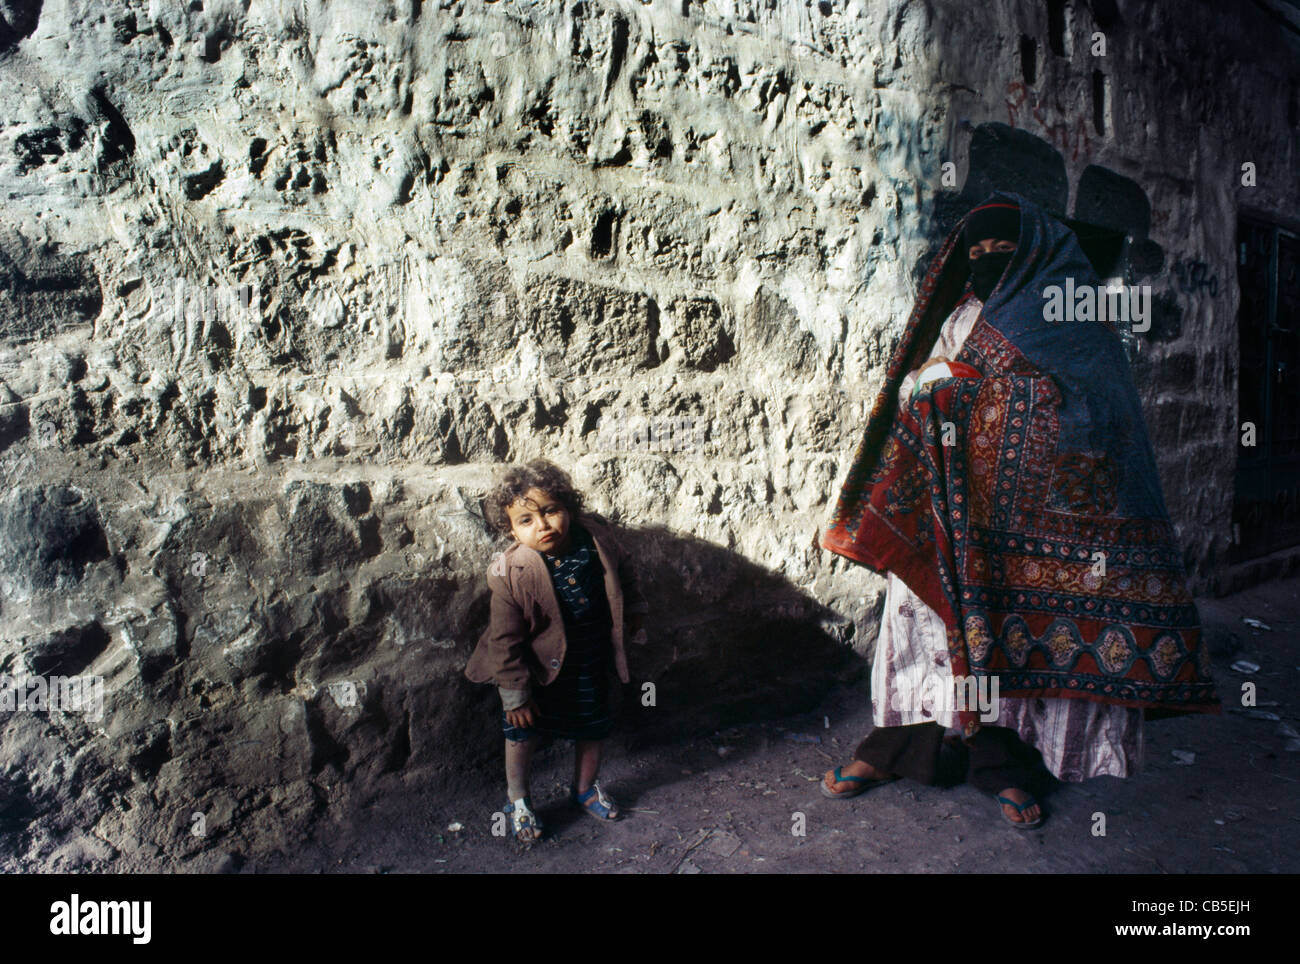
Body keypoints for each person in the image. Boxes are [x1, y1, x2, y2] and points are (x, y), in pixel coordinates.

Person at [820, 194, 1220, 828]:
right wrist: (933, 384)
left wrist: (967, 389)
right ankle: (897, 746)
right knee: (921, 628)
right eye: (974, 252)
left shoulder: (1070, 320)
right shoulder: (960, 314)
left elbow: (1091, 417)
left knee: (1000, 641)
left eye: (999, 250)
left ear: (1033, 252)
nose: (984, 261)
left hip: (1020, 524)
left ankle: (1000, 762)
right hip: (946, 505)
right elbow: (916, 386)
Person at [466, 458, 649, 843]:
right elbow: (504, 640)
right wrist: (515, 696)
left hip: (589, 658)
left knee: (593, 723)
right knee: (521, 732)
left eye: (551, 511)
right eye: (526, 520)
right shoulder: (510, 571)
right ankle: (519, 799)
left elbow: (625, 572)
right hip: (534, 670)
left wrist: (633, 609)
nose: (543, 525)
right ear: (510, 528)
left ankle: (584, 787)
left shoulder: (596, 540)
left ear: (568, 507)